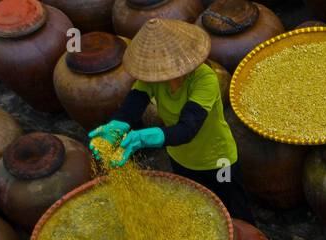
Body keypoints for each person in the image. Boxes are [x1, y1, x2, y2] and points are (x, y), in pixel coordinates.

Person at [88, 17, 252, 221]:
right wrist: (116, 126)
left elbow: (188, 129)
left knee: (234, 208)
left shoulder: (205, 79)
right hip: (180, 158)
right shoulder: (154, 79)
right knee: (197, 206)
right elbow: (134, 103)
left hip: (217, 160)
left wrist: (141, 138)